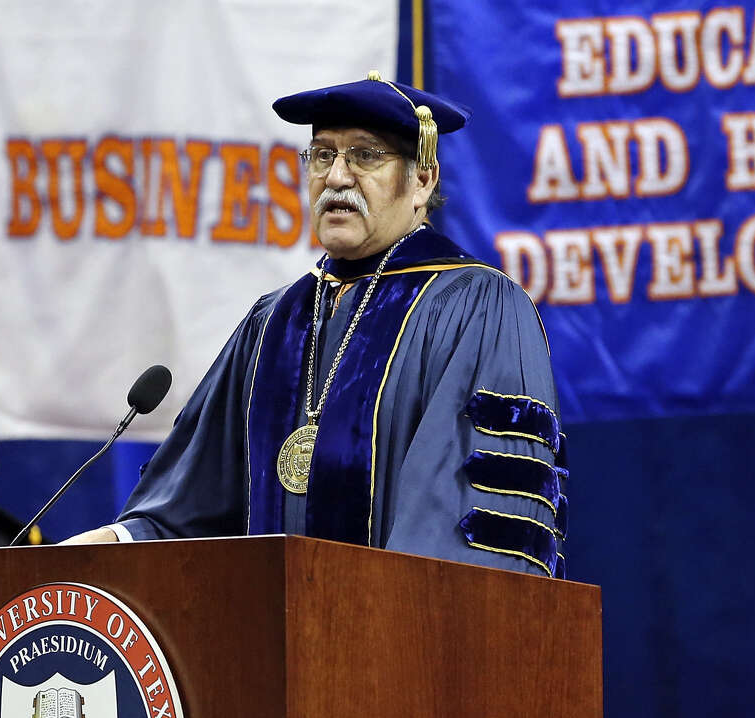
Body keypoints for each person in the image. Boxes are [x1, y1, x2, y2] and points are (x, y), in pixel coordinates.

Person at [63, 72, 567, 578]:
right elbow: (189, 507)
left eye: (366, 155)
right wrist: (111, 543)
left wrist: (372, 628)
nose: (337, 177)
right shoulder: (273, 322)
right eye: (322, 155)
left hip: (402, 639)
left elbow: (469, 533)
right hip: (275, 648)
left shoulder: (477, 307)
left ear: (423, 180)